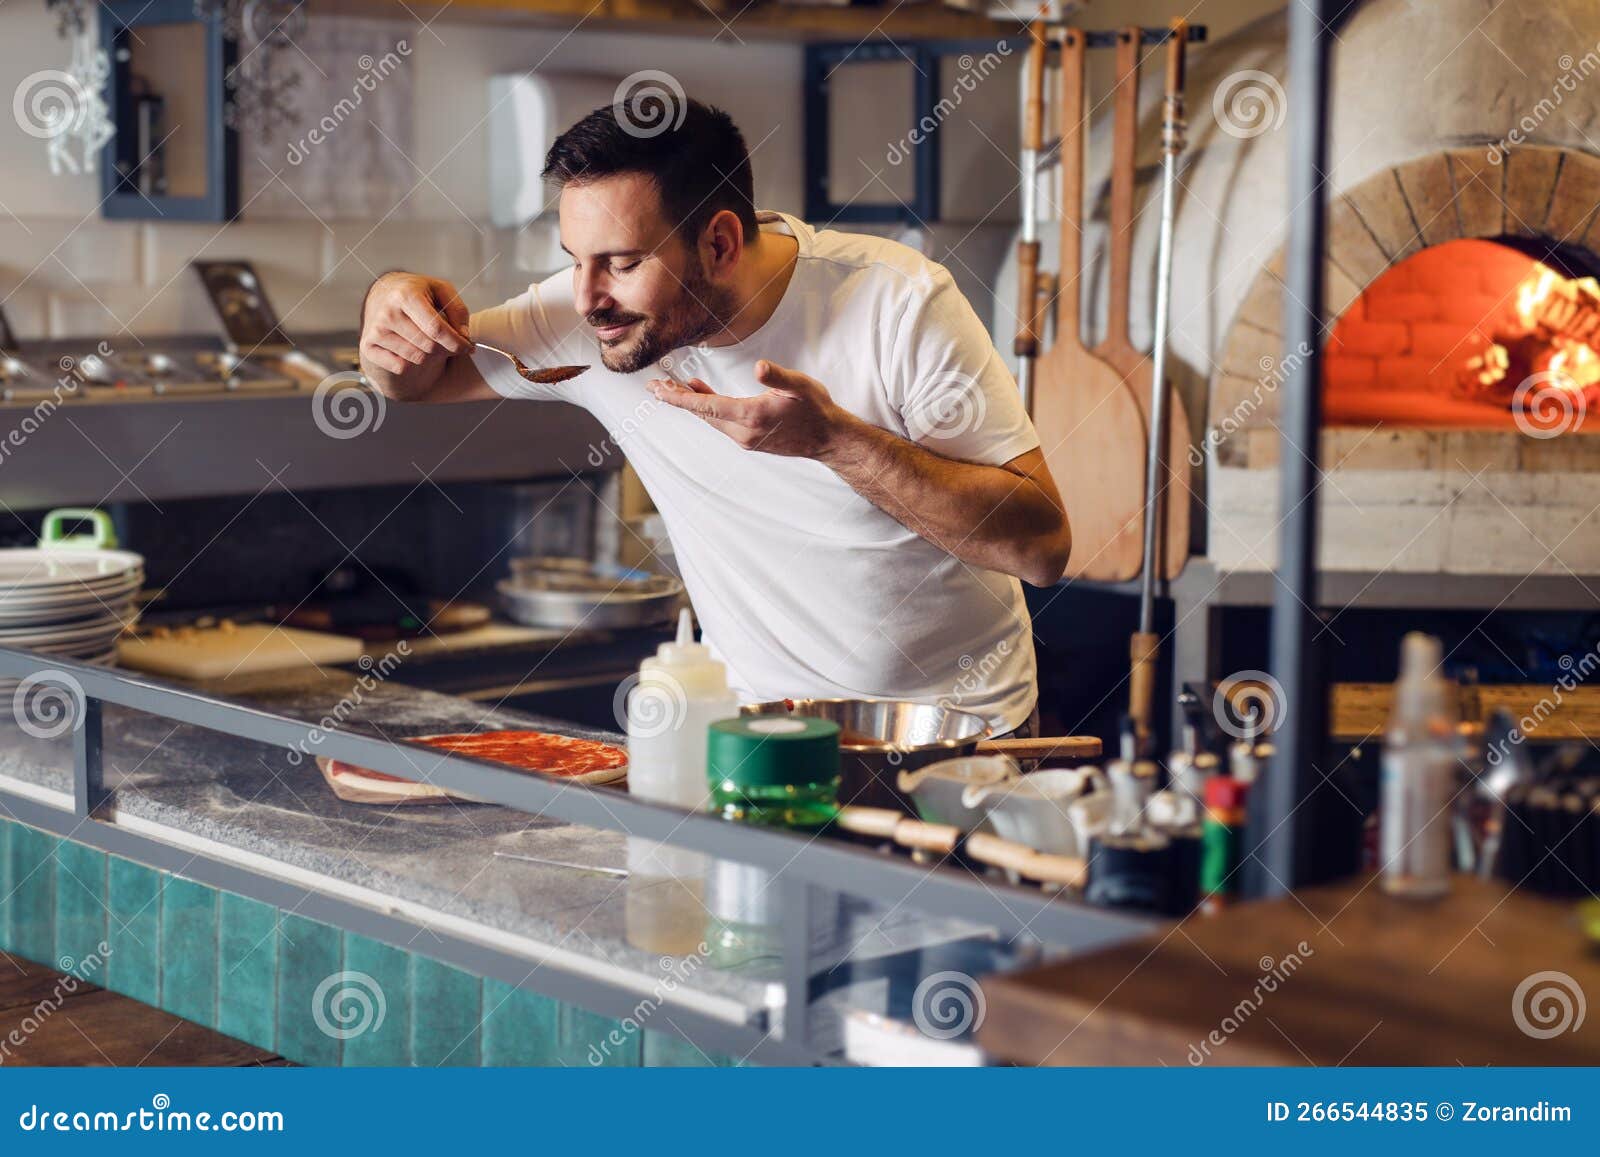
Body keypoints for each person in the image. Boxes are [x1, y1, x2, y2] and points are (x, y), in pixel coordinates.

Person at [357, 98, 1069, 737]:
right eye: (575, 259)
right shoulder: (601, 321)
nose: (585, 298)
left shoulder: (897, 304)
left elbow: (1040, 549)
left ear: (720, 244)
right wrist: (389, 305)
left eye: (621, 262)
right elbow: (417, 379)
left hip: (956, 740)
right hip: (756, 742)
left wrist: (833, 442)